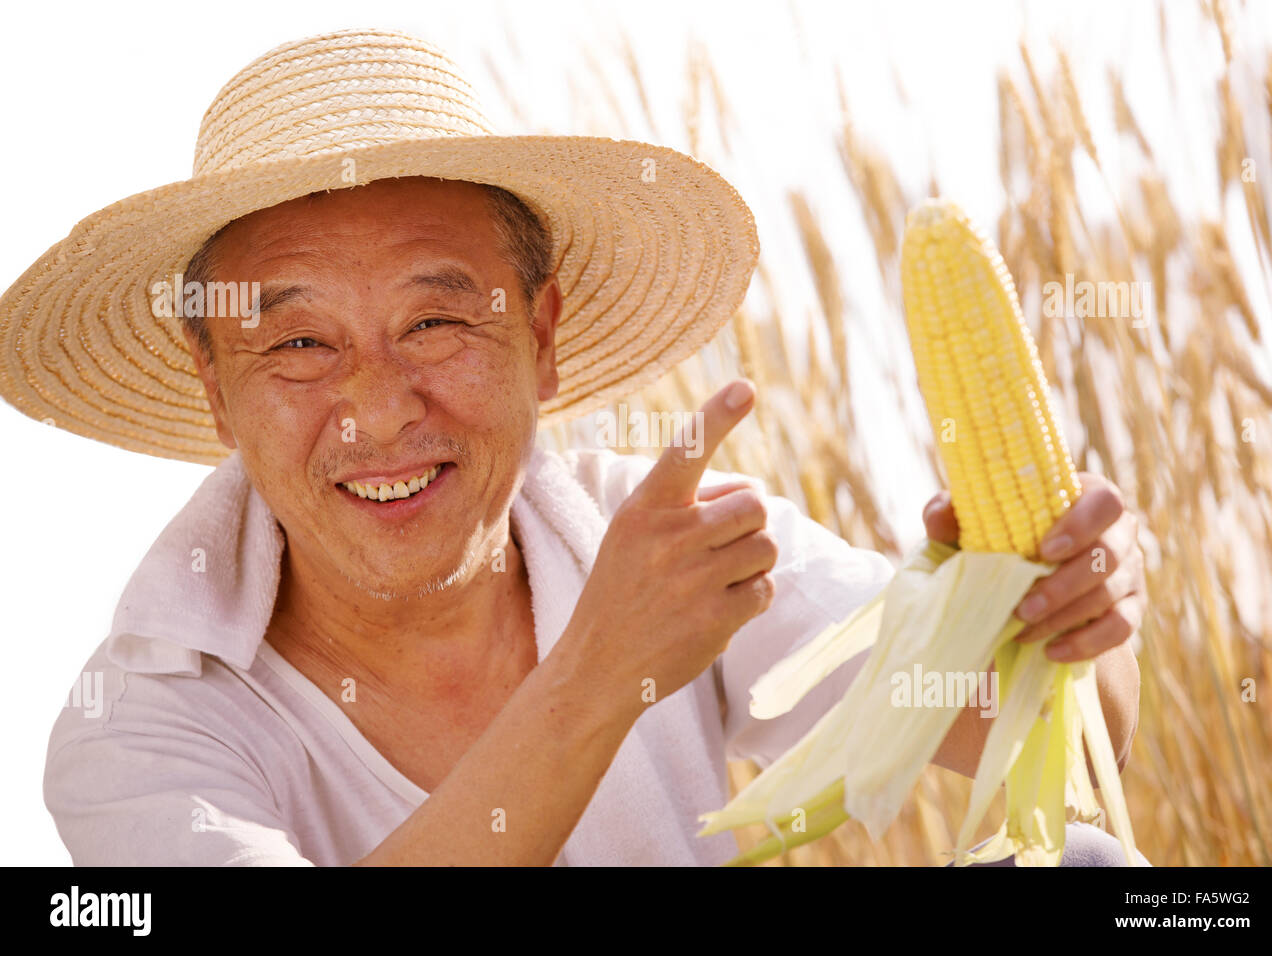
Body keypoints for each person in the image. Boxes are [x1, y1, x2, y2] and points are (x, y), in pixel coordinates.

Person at [1, 29, 1145, 866]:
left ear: (541, 340)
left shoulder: (663, 541)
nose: (379, 408)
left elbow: (1060, 739)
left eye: (436, 321)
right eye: (298, 341)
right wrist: (604, 667)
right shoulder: (142, 715)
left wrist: (1065, 610)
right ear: (216, 391)